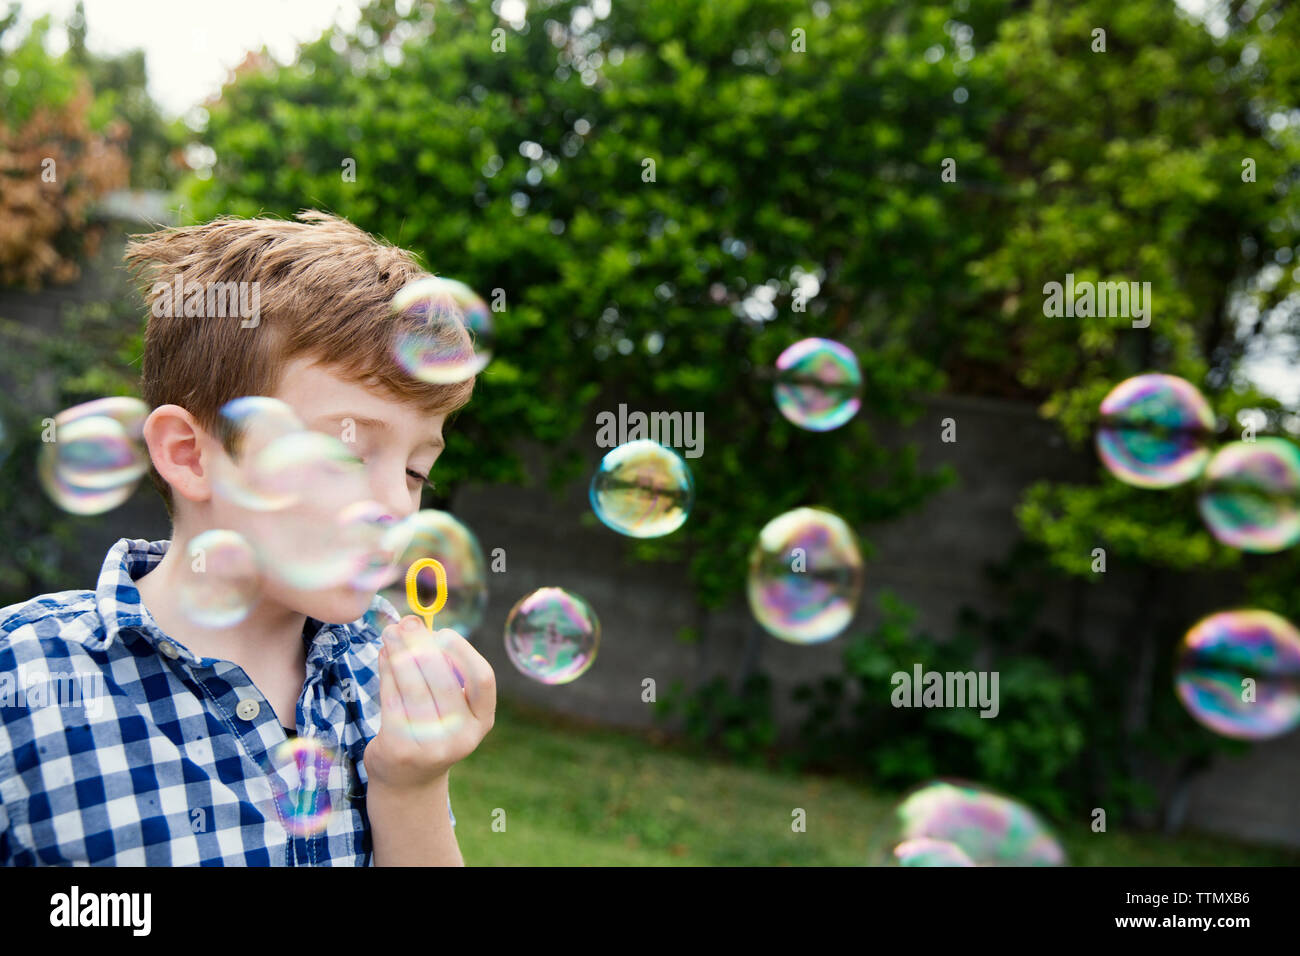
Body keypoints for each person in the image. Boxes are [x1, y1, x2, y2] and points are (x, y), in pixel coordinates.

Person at [0, 211, 496, 865]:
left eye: (415, 471)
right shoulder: (23, 683)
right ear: (192, 455)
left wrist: (411, 789)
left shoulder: (381, 686)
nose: (394, 504)